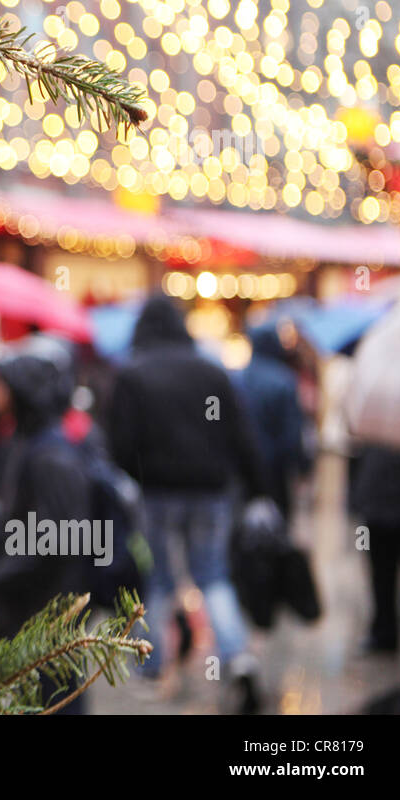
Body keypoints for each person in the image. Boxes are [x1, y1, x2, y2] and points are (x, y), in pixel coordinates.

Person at [106, 293, 266, 712]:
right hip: (212, 491)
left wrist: (140, 478)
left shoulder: (133, 374)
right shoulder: (212, 373)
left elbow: (119, 445)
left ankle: (152, 666)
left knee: (158, 580)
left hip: (158, 493)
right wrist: (260, 490)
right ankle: (238, 657)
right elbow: (242, 436)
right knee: (213, 576)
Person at [0, 346, 95, 713]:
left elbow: (56, 540)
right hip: (25, 607)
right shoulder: (22, 443)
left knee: (54, 699)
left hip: (46, 611)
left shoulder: (51, 456)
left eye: (1, 386)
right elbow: (19, 520)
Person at [237, 321, 308, 517]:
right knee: (277, 526)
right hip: (275, 469)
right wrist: (301, 466)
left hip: (244, 470)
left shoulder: (237, 378)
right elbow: (292, 432)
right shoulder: (284, 380)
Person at [349, 444, 400, 656]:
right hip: (375, 511)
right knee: (379, 575)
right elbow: (355, 459)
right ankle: (384, 633)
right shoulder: (374, 423)